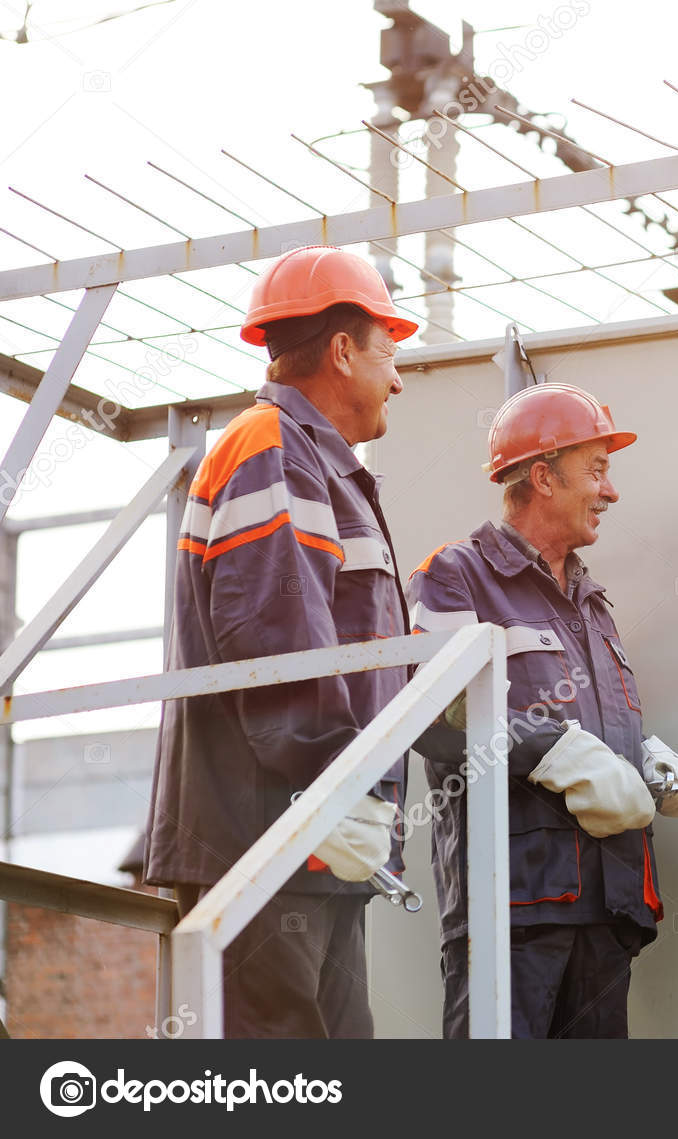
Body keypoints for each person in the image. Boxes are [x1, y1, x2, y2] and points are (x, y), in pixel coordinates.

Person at [144, 245, 416, 1039]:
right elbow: (275, 630)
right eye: (388, 352)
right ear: (342, 350)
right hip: (268, 837)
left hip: (312, 839)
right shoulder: (269, 441)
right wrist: (340, 781)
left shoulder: (318, 465)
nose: (397, 377)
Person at [407, 381, 678, 1039]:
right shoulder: (456, 576)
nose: (611, 490)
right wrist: (549, 751)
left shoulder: (593, 605)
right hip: (511, 913)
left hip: (608, 911)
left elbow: (602, 730)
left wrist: (646, 756)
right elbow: (426, 713)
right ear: (543, 476)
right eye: (597, 469)